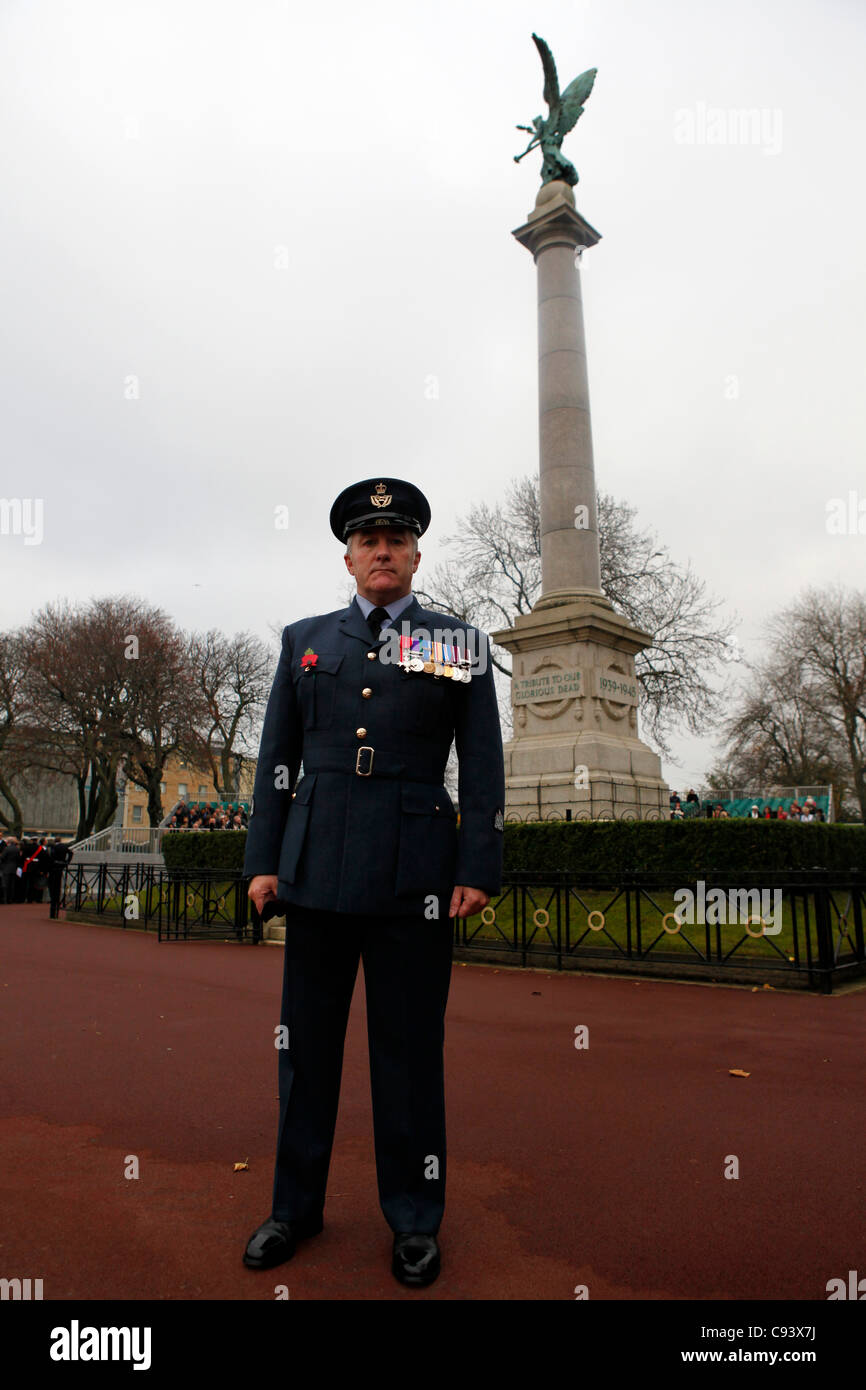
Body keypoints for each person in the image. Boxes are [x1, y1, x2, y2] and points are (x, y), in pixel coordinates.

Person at [241, 477, 504, 1289]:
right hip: (315, 870)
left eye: (395, 538)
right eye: (367, 540)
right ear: (349, 557)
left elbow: (484, 766)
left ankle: (416, 1220)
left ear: (416, 553)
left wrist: (477, 866)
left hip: (414, 877)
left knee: (408, 1057)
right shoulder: (304, 639)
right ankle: (294, 1209)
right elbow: (274, 760)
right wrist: (261, 860)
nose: (381, 550)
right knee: (305, 1056)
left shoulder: (456, 642)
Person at [48, 838, 73, 918]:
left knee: (53, 884)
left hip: (55, 866)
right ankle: (57, 901)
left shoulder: (54, 847)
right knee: (58, 884)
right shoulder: (64, 846)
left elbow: (52, 856)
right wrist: (67, 862)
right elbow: (71, 853)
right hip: (62, 865)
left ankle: (53, 903)